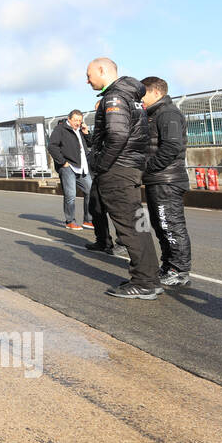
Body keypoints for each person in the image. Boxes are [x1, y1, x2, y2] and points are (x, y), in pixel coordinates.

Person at [87, 57, 161, 299]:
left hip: (118, 171)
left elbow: (117, 136)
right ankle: (149, 278)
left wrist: (101, 165)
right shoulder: (133, 98)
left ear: (102, 70)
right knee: (139, 225)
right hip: (129, 169)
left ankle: (144, 282)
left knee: (130, 227)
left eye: (89, 75)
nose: (87, 80)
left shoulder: (115, 97)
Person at [141, 76, 192, 287]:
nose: (140, 99)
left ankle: (179, 271)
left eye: (142, 93)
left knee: (170, 225)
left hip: (167, 180)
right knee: (161, 225)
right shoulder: (154, 115)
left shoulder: (168, 113)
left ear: (155, 92)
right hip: (158, 180)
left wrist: (147, 167)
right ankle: (169, 265)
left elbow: (171, 148)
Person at [50, 110, 94, 230]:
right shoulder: (60, 129)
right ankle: (70, 221)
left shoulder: (80, 130)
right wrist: (63, 162)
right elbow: (52, 146)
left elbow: (91, 143)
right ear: (69, 119)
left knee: (91, 191)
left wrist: (86, 132)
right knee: (70, 195)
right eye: (75, 120)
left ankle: (88, 220)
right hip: (68, 167)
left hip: (83, 167)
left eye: (80, 120)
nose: (78, 123)